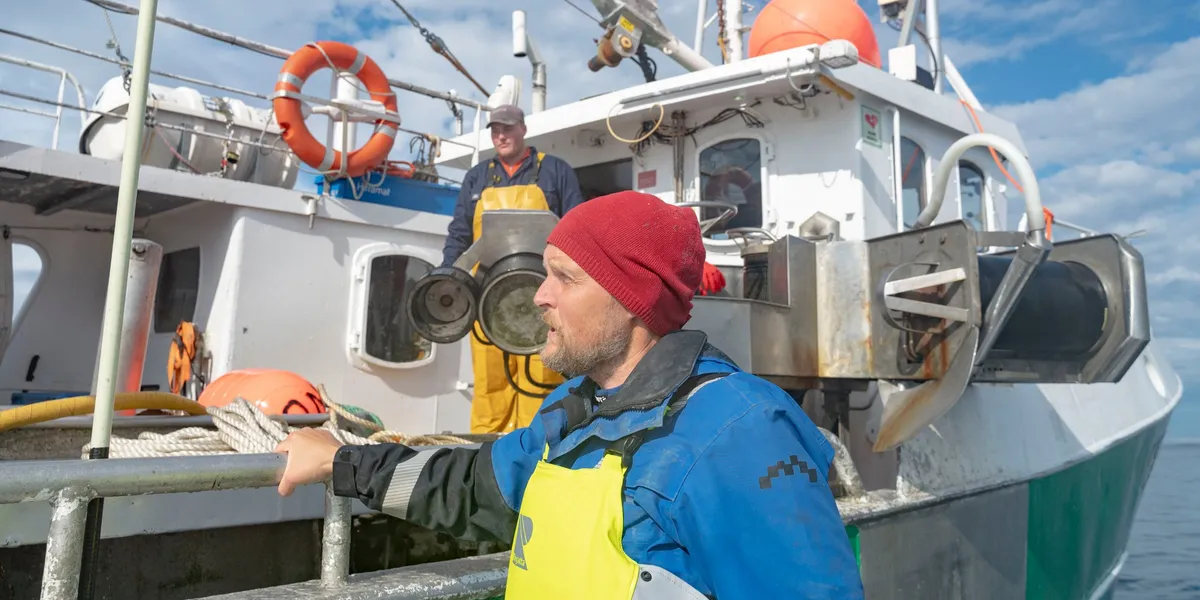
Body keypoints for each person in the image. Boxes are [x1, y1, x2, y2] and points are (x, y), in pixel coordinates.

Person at [275, 190, 865, 599]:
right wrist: (342, 461)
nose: (538, 296)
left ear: (630, 299)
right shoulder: (574, 412)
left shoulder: (739, 433)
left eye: (566, 277)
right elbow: (476, 487)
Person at [443, 103, 584, 434]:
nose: (500, 136)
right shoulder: (476, 177)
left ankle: (543, 447)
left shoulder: (556, 171)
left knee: (544, 374)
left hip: (543, 295)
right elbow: (459, 233)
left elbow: (577, 229)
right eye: (495, 130)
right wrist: (448, 274)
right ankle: (487, 453)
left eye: (507, 128)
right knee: (490, 383)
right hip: (486, 299)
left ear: (523, 128)